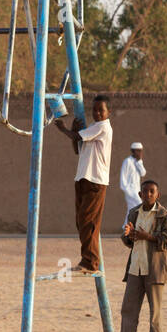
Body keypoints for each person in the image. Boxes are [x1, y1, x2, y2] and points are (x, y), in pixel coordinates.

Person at [118, 179, 167, 332]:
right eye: (145, 192)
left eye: (152, 192)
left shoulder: (163, 214)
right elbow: (129, 242)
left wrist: (149, 237)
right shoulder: (134, 213)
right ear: (140, 194)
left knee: (155, 311)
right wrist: (127, 234)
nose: (148, 195)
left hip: (155, 269)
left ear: (158, 195)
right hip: (135, 268)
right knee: (128, 308)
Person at [53, 94, 113, 272]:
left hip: (95, 181)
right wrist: (73, 130)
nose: (97, 113)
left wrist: (65, 129)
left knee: (89, 220)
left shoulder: (103, 127)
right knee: (81, 221)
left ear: (108, 112)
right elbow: (77, 148)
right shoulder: (93, 128)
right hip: (83, 178)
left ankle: (91, 261)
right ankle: (88, 259)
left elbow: (78, 138)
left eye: (101, 110)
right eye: (94, 110)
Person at [119, 141, 147, 219]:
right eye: (138, 151)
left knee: (132, 210)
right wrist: (128, 191)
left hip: (137, 190)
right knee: (139, 206)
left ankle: (126, 227)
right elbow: (123, 178)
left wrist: (139, 162)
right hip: (130, 191)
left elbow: (143, 173)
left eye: (141, 151)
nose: (140, 153)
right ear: (133, 151)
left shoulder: (138, 162)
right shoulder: (127, 161)